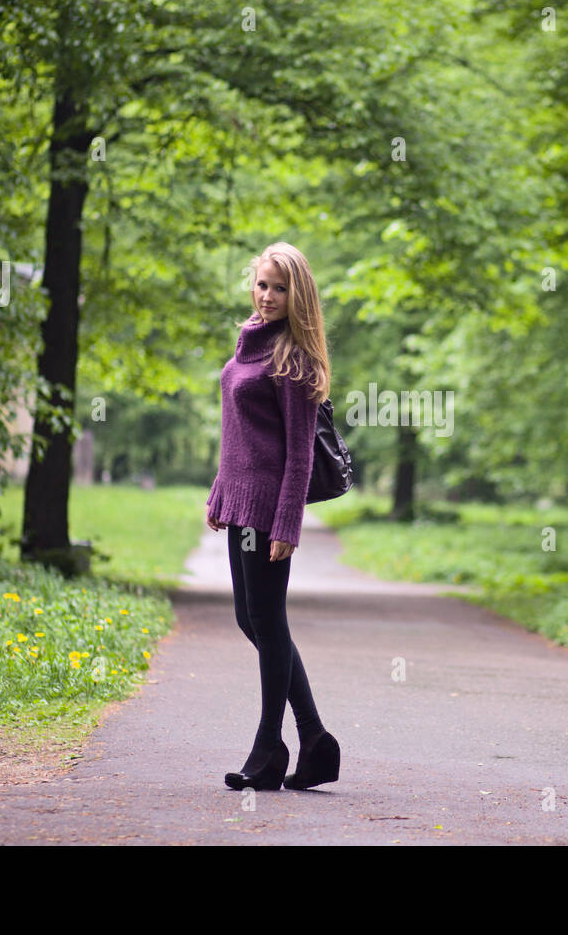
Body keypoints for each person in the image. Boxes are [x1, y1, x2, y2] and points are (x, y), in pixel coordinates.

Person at [204, 242, 341, 791]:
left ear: (297, 295)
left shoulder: (294, 360)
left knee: (267, 619)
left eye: (280, 288)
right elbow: (236, 433)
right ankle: (314, 739)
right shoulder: (247, 344)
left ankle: (270, 747)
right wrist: (219, 490)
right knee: (252, 619)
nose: (268, 296)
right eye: (262, 285)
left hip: (267, 510)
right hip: (239, 504)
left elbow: (301, 453)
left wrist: (288, 524)